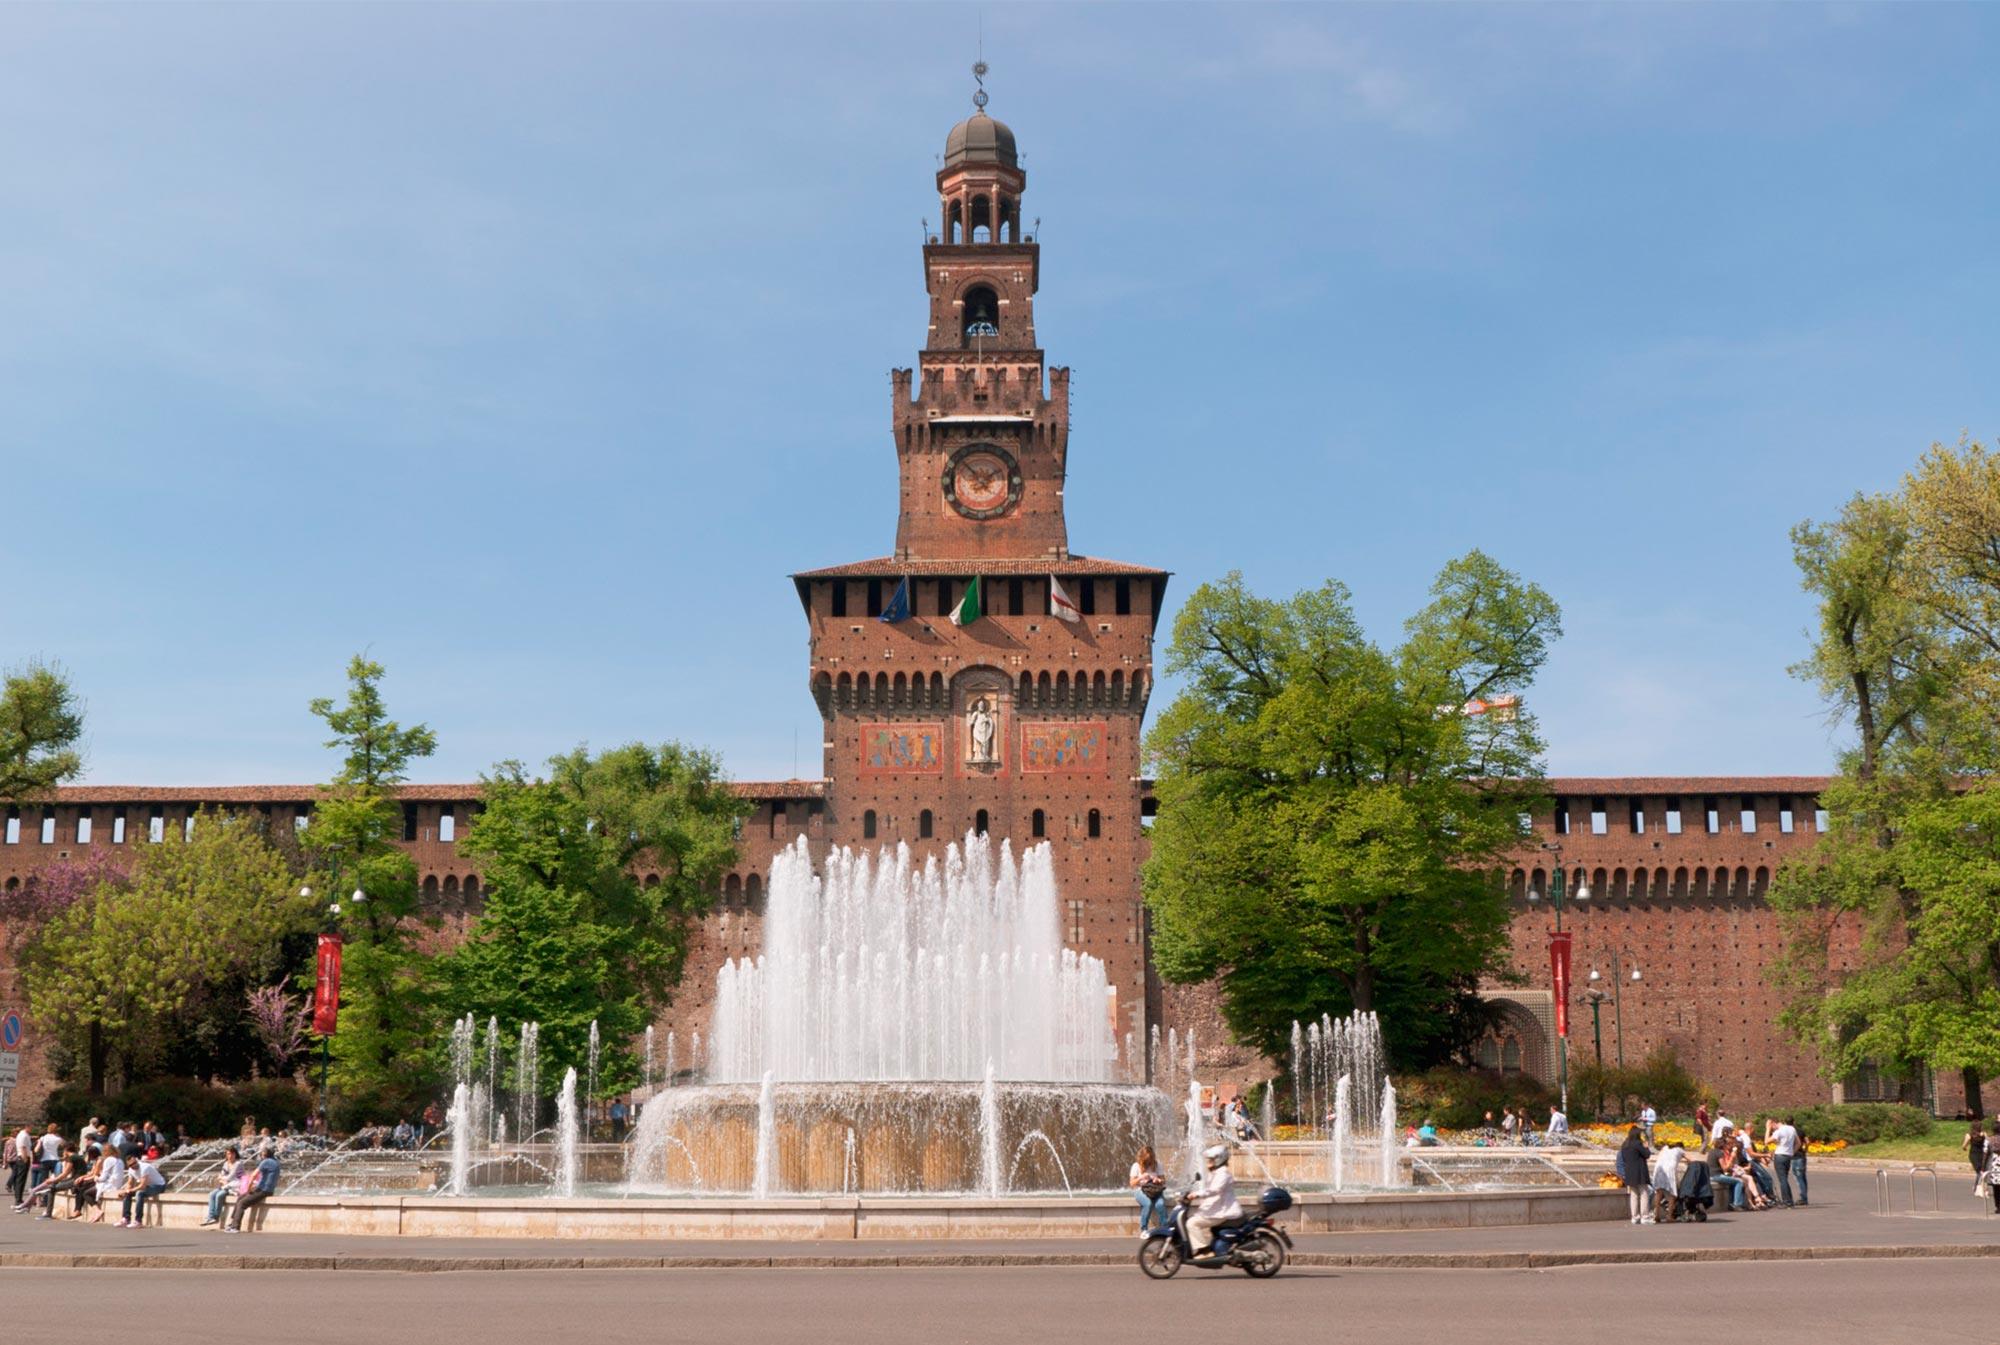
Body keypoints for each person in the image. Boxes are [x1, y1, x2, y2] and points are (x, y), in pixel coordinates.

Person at [1184, 1144, 1242, 1259]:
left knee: (1192, 1223)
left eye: (1211, 1159)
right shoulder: (1216, 1172)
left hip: (1223, 1212)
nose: (1208, 1162)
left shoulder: (1223, 1174)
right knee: (1194, 1219)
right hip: (1217, 1209)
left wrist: (1197, 1194)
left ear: (1219, 1159)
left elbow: (1215, 1190)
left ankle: (1204, 1251)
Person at [226, 1145, 281, 1233]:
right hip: (267, 1189)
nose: (261, 1155)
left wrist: (249, 1189)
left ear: (265, 1154)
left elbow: (253, 1175)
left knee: (242, 1203)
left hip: (263, 1190)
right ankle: (233, 1222)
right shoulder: (276, 1162)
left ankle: (235, 1227)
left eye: (262, 1153)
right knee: (241, 1197)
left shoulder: (266, 1162)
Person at [1617, 1126, 1653, 1224]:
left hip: (1629, 1172)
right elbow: (1647, 1155)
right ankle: (1644, 1216)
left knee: (1633, 1194)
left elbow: (1624, 1158)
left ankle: (1634, 1217)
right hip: (1639, 1172)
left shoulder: (1625, 1145)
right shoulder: (1638, 1144)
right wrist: (1646, 1147)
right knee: (1644, 1193)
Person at [202, 1146, 244, 1228]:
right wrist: (223, 1179)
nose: (230, 1156)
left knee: (219, 1195)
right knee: (212, 1194)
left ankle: (216, 1217)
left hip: (235, 1186)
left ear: (235, 1154)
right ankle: (210, 1216)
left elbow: (230, 1177)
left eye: (231, 1154)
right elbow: (221, 1176)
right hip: (226, 1185)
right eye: (228, 1154)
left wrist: (223, 1178)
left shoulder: (238, 1164)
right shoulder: (226, 1164)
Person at [1129, 1144, 1167, 1233]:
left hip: (1155, 1190)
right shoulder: (1136, 1166)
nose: (1148, 1163)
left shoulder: (1157, 1164)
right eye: (1146, 1161)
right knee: (1148, 1204)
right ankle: (1144, 1229)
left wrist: (1158, 1180)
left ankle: (1164, 1227)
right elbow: (1132, 1183)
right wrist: (1141, 1178)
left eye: (1150, 1160)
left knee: (1160, 1204)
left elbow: (1163, 1180)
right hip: (1140, 1190)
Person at [1766, 1116, 1801, 1208]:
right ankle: (1789, 1200)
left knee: (1782, 1180)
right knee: (1784, 1179)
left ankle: (1786, 1202)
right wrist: (1792, 1152)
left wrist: (1767, 1129)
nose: (1772, 1128)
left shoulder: (1779, 1131)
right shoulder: (1792, 1129)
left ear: (1773, 1123)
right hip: (1788, 1156)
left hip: (1780, 1156)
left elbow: (1766, 1141)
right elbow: (1798, 1143)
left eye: (1771, 1126)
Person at [1649, 1142, 1685, 1221]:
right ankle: (1669, 1216)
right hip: (1669, 1171)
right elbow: (1691, 1160)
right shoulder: (1680, 1150)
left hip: (1658, 1169)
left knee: (1658, 1192)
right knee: (1672, 1194)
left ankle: (1656, 1215)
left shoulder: (1665, 1149)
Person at [90, 1146, 126, 1223]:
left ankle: (97, 1211)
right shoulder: (120, 1160)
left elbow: (103, 1177)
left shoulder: (109, 1160)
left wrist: (96, 1178)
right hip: (117, 1184)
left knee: (86, 1193)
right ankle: (96, 1211)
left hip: (109, 1185)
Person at [1965, 1122, 1988, 1195]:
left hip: (1976, 1155)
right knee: (1979, 1171)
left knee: (1980, 1171)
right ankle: (1977, 1187)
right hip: (1978, 1155)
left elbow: (1964, 1145)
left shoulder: (1970, 1135)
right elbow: (1988, 1142)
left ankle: (1977, 1187)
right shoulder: (1982, 1134)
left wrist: (1964, 1148)